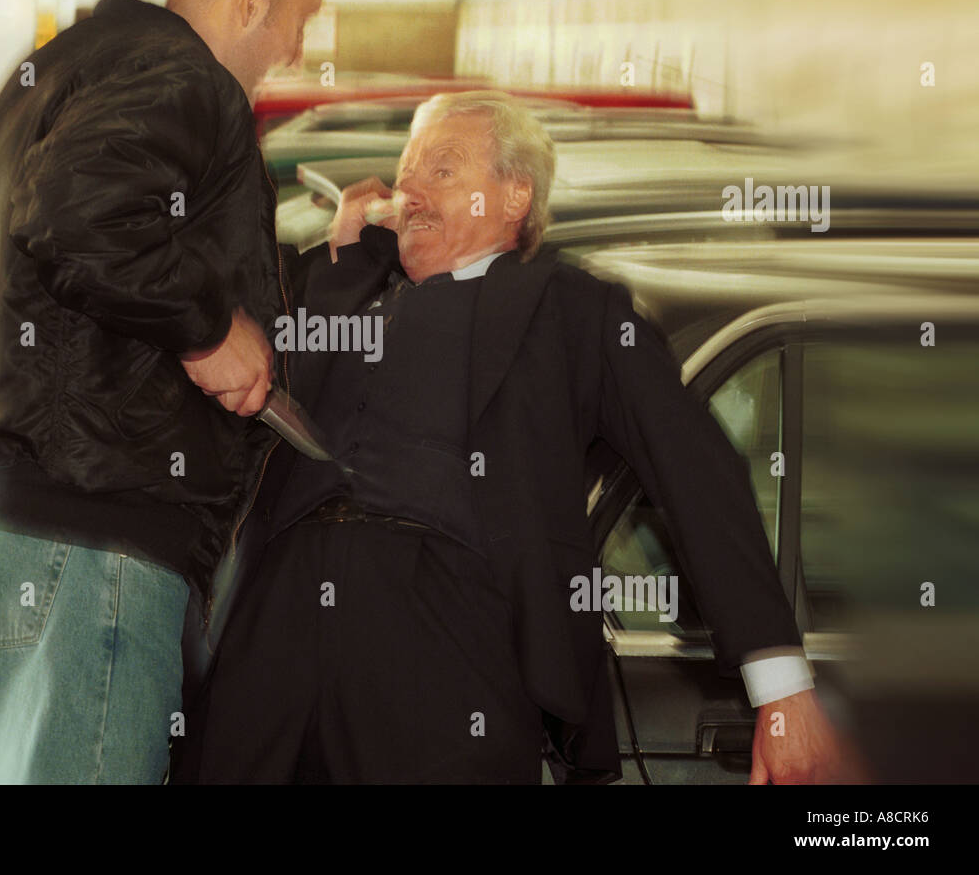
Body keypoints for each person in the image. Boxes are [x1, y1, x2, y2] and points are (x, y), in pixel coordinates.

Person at [175, 91, 851, 784]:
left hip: (447, 639)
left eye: (442, 169)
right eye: (406, 171)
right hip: (276, 627)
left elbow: (694, 463)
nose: (410, 188)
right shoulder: (335, 284)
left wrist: (780, 685)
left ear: (514, 196)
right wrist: (339, 256)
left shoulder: (573, 311)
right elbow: (195, 292)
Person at [0, 0, 327, 784]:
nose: (299, 48)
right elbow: (74, 217)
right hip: (87, 542)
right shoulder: (188, 81)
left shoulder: (63, 64)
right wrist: (210, 331)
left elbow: (62, 241)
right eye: (302, 17)